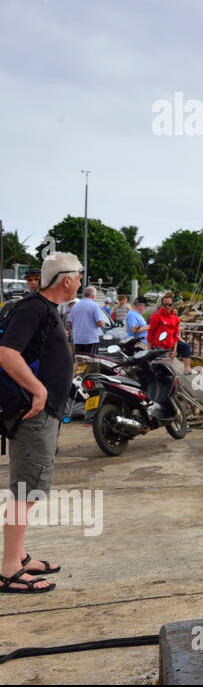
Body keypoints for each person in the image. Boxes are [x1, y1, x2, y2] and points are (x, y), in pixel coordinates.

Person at [0, 253, 80, 593]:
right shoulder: (34, 308)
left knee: (29, 487)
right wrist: (39, 391)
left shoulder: (45, 309)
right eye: (78, 275)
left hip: (42, 415)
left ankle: (18, 557)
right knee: (25, 489)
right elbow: (6, 352)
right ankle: (7, 570)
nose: (80, 280)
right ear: (65, 279)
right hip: (32, 414)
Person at [147, 293, 192, 374]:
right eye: (165, 305)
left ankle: (187, 368)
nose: (167, 307)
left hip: (169, 349)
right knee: (156, 371)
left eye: (169, 304)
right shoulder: (156, 317)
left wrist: (174, 350)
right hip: (158, 348)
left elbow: (176, 335)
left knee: (167, 371)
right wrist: (149, 350)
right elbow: (150, 333)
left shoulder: (176, 319)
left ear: (173, 305)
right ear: (162, 305)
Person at [67, 284, 105, 356]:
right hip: (90, 339)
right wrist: (103, 325)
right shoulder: (94, 305)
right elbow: (100, 322)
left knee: (79, 361)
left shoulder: (75, 306)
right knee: (90, 362)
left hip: (78, 338)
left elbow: (70, 323)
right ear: (93, 296)